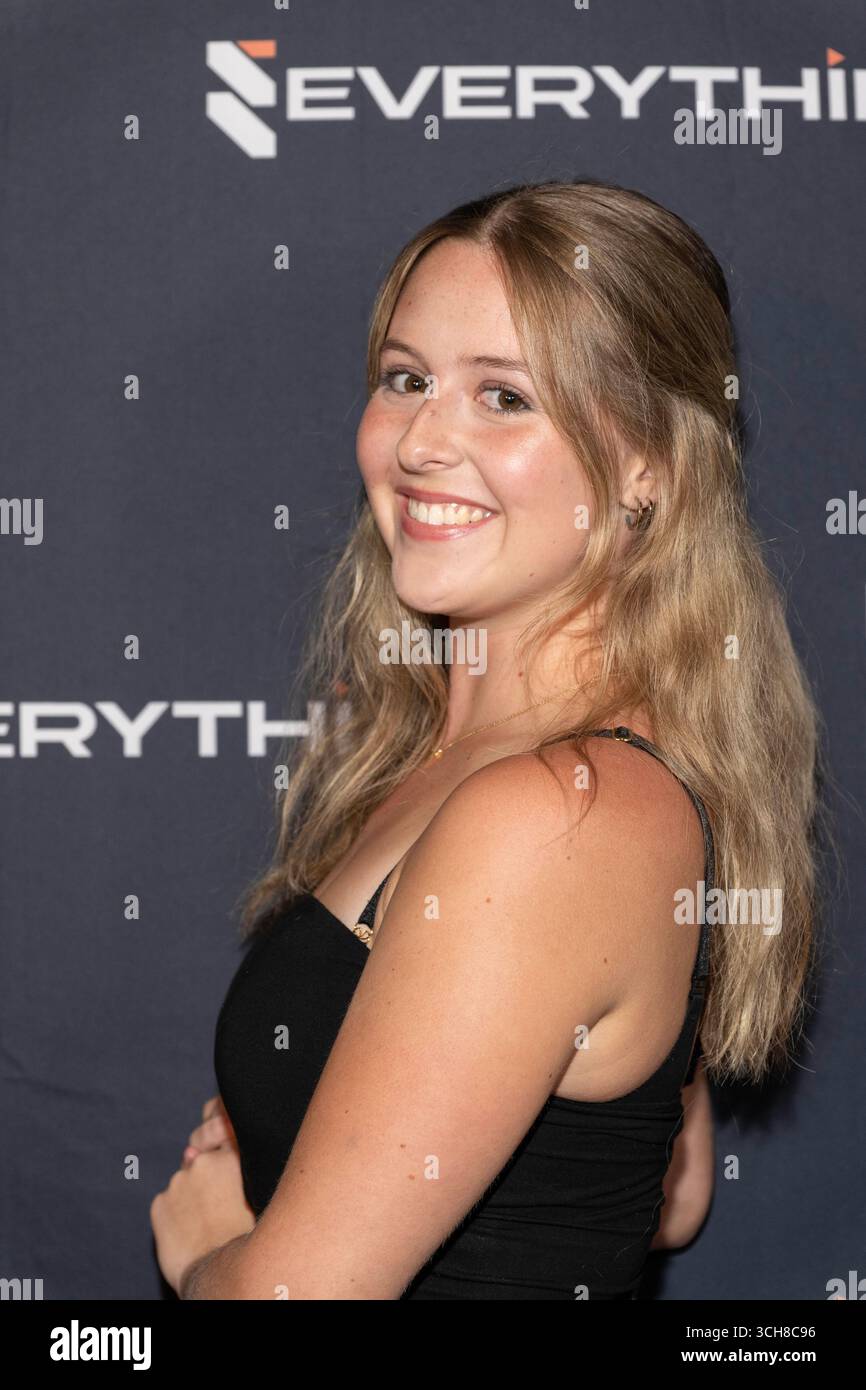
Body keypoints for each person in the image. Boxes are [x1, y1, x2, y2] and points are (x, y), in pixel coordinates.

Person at [151, 178, 823, 1300]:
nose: (420, 441)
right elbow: (671, 1184)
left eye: (503, 397)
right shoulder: (455, 752)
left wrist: (210, 1249)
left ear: (647, 465)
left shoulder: (559, 811)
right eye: (405, 379)